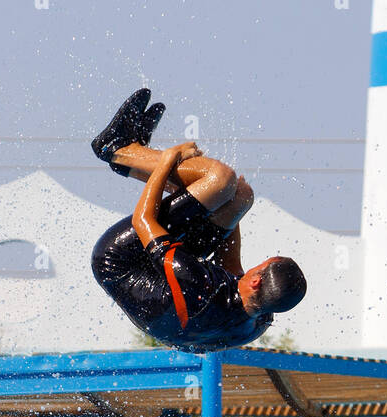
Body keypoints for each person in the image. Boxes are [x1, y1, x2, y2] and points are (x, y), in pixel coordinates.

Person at [90, 89, 307, 351]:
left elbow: (143, 220)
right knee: (240, 197)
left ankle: (117, 150)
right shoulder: (259, 315)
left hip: (124, 262)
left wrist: (167, 161)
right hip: (172, 299)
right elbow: (228, 263)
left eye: (263, 263)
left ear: (256, 280)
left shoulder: (197, 282)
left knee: (220, 179)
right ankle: (136, 158)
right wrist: (231, 209)